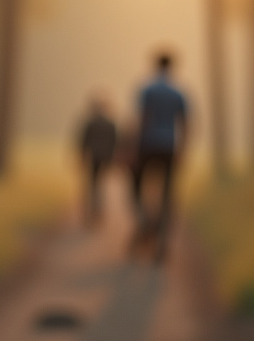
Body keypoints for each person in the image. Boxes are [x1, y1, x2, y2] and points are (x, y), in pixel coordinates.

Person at [131, 51, 190, 259]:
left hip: (148, 145)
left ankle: (146, 220)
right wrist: (183, 151)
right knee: (167, 194)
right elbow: (185, 124)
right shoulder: (179, 93)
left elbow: (142, 119)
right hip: (169, 146)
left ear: (155, 65)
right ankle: (162, 243)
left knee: (139, 186)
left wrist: (135, 148)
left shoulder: (147, 90)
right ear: (172, 67)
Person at [76, 95, 118, 224]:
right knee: (101, 184)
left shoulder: (90, 123)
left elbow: (83, 141)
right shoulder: (110, 124)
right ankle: (98, 211)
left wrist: (81, 157)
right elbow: (115, 142)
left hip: (93, 156)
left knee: (92, 184)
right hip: (106, 157)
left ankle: (91, 212)